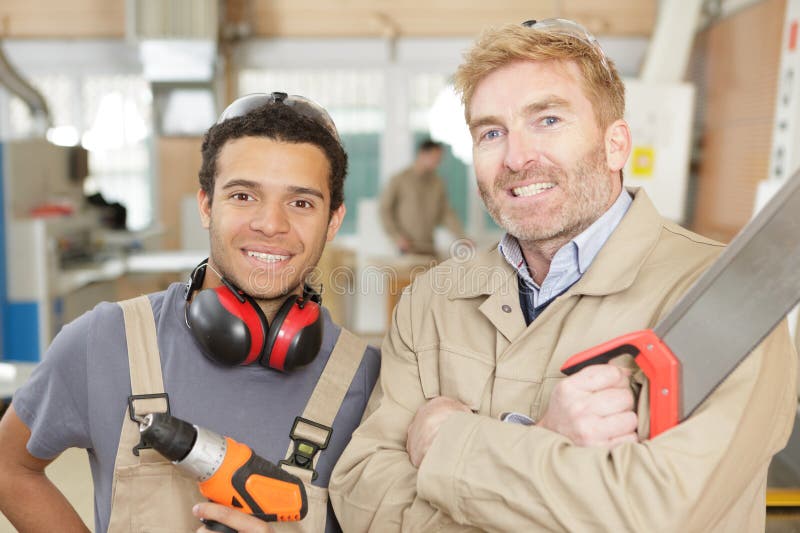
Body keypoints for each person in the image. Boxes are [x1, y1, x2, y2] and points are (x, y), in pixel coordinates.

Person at [329, 19, 797, 532]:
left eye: (548, 120)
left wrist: (447, 438)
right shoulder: (431, 302)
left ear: (616, 145)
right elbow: (361, 491)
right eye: (491, 132)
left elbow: (659, 515)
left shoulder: (723, 299)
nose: (517, 157)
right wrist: (544, 436)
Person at [0, 92, 380, 533]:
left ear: (333, 221)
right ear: (205, 205)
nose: (271, 224)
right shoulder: (106, 340)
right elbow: (9, 468)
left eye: (301, 203)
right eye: (243, 195)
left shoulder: (366, 379)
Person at [379, 139, 467, 257]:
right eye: (434, 158)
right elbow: (385, 211)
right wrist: (397, 237)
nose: (437, 163)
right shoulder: (399, 180)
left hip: (429, 248)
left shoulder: (438, 183)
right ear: (422, 154)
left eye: (439, 160)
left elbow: (446, 214)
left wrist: (462, 237)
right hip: (405, 249)